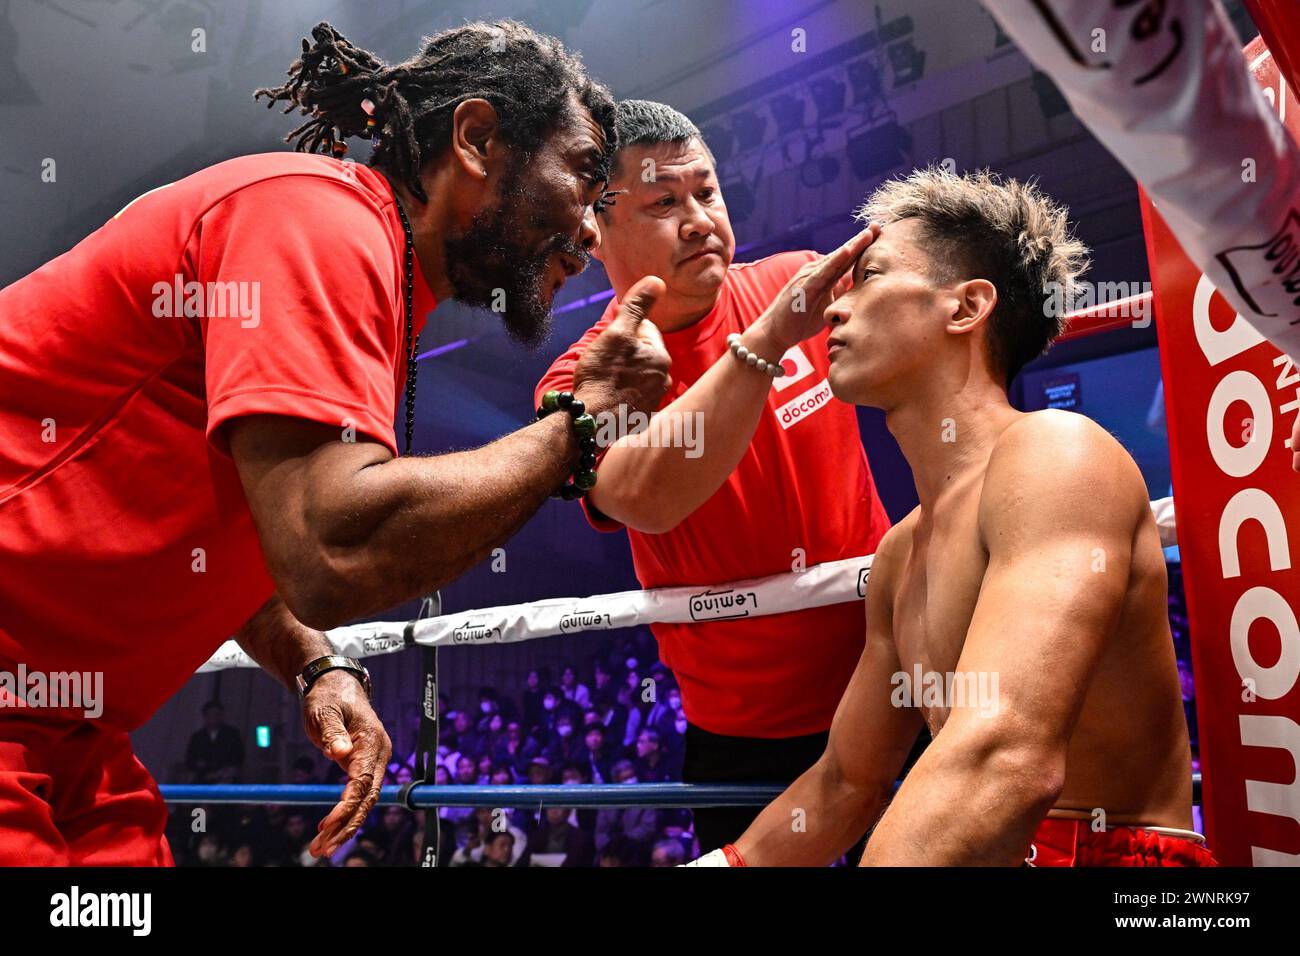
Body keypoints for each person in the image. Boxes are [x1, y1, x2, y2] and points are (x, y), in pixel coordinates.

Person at [0, 20, 669, 865]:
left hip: (69, 735)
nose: (593, 232)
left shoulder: (371, 270)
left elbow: (237, 538)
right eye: (582, 173)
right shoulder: (315, 217)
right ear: (476, 139)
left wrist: (317, 665)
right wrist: (578, 427)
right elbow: (330, 554)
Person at [692, 167, 1212, 867]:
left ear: (966, 307)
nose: (835, 310)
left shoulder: (1057, 454)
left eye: (869, 278)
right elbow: (847, 783)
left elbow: (1006, 755)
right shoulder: (900, 553)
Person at [534, 99, 891, 853]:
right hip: (746, 736)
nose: (698, 220)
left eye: (707, 192)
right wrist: (768, 340)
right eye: (664, 202)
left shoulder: (796, 283)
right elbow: (648, 499)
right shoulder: (582, 379)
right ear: (597, 228)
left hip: (891, 683)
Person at [184, 701, 245, 784]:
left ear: (221, 716)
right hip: (204, 777)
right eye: (210, 715)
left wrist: (225, 771)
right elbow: (189, 760)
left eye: (217, 714)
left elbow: (239, 756)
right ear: (205, 716)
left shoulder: (232, 734)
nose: (213, 717)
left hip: (226, 776)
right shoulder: (197, 737)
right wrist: (198, 764)